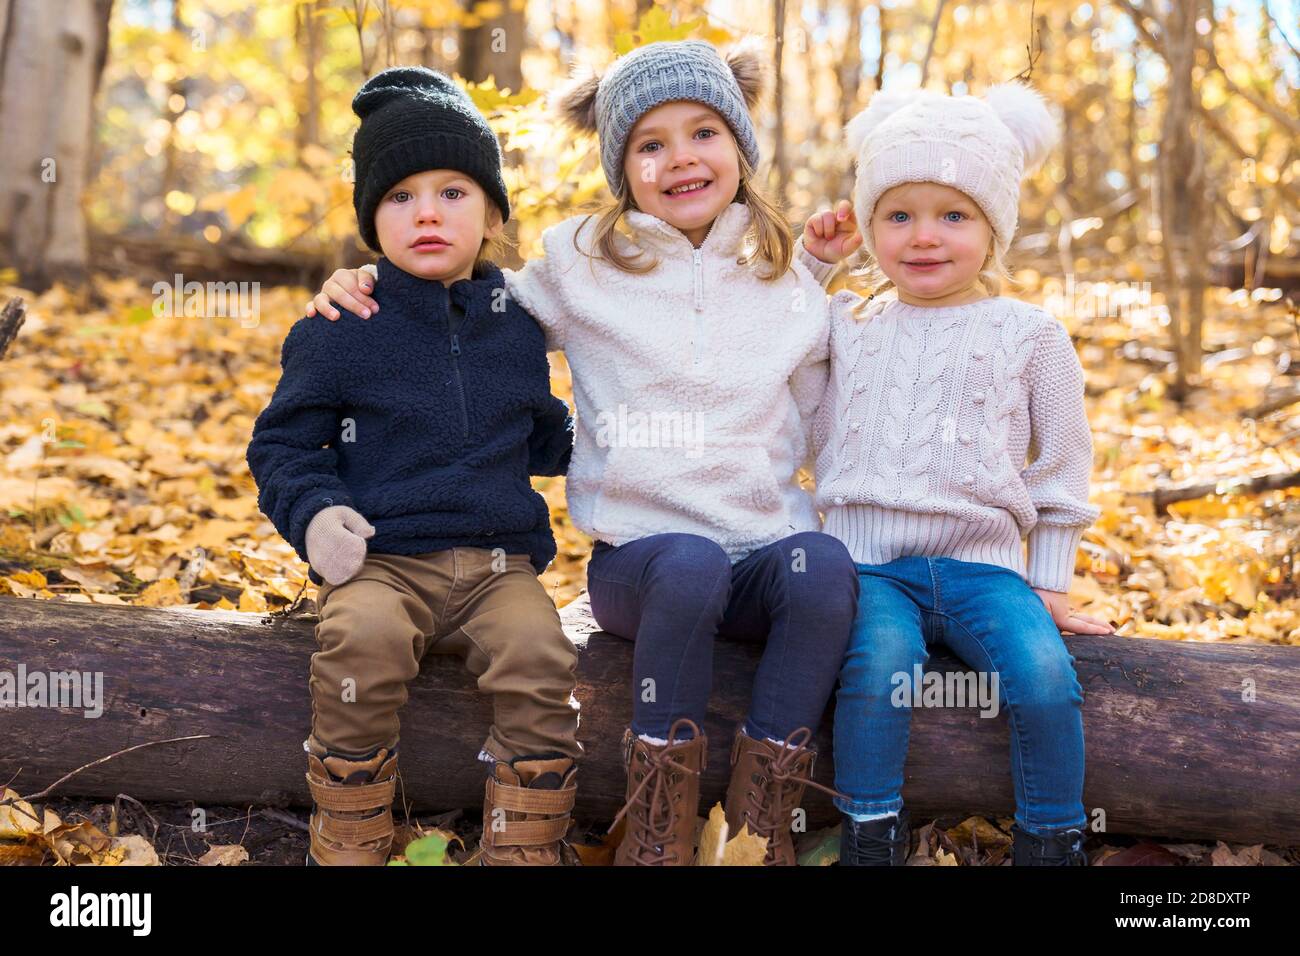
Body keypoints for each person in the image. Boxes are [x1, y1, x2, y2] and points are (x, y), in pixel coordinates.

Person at [304, 40, 858, 866]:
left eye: (703, 132)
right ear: (621, 166)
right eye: (650, 144)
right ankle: (659, 815)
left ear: (740, 146)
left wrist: (812, 262)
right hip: (646, 560)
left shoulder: (783, 274)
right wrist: (365, 283)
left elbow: (822, 415)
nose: (680, 159)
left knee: (824, 568)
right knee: (691, 564)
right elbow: (472, 310)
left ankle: (761, 810)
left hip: (760, 553)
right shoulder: (583, 261)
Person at [247, 66, 582, 866]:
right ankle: (354, 825)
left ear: (494, 214)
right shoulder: (345, 321)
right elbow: (283, 445)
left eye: (453, 192)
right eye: (399, 197)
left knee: (542, 656)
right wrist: (318, 512)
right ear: (372, 223)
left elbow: (544, 438)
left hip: (500, 565)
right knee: (359, 638)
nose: (426, 212)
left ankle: (524, 839)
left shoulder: (518, 323)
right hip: (384, 559)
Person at [798, 82, 1114, 865]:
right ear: (869, 228)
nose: (924, 237)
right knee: (876, 671)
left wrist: (1050, 578)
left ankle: (1051, 837)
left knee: (1044, 676)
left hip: (985, 568)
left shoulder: (1029, 334)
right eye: (898, 215)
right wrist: (810, 266)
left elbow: (1064, 459)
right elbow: (782, 364)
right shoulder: (847, 323)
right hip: (870, 567)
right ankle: (870, 834)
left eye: (954, 215)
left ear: (993, 229)